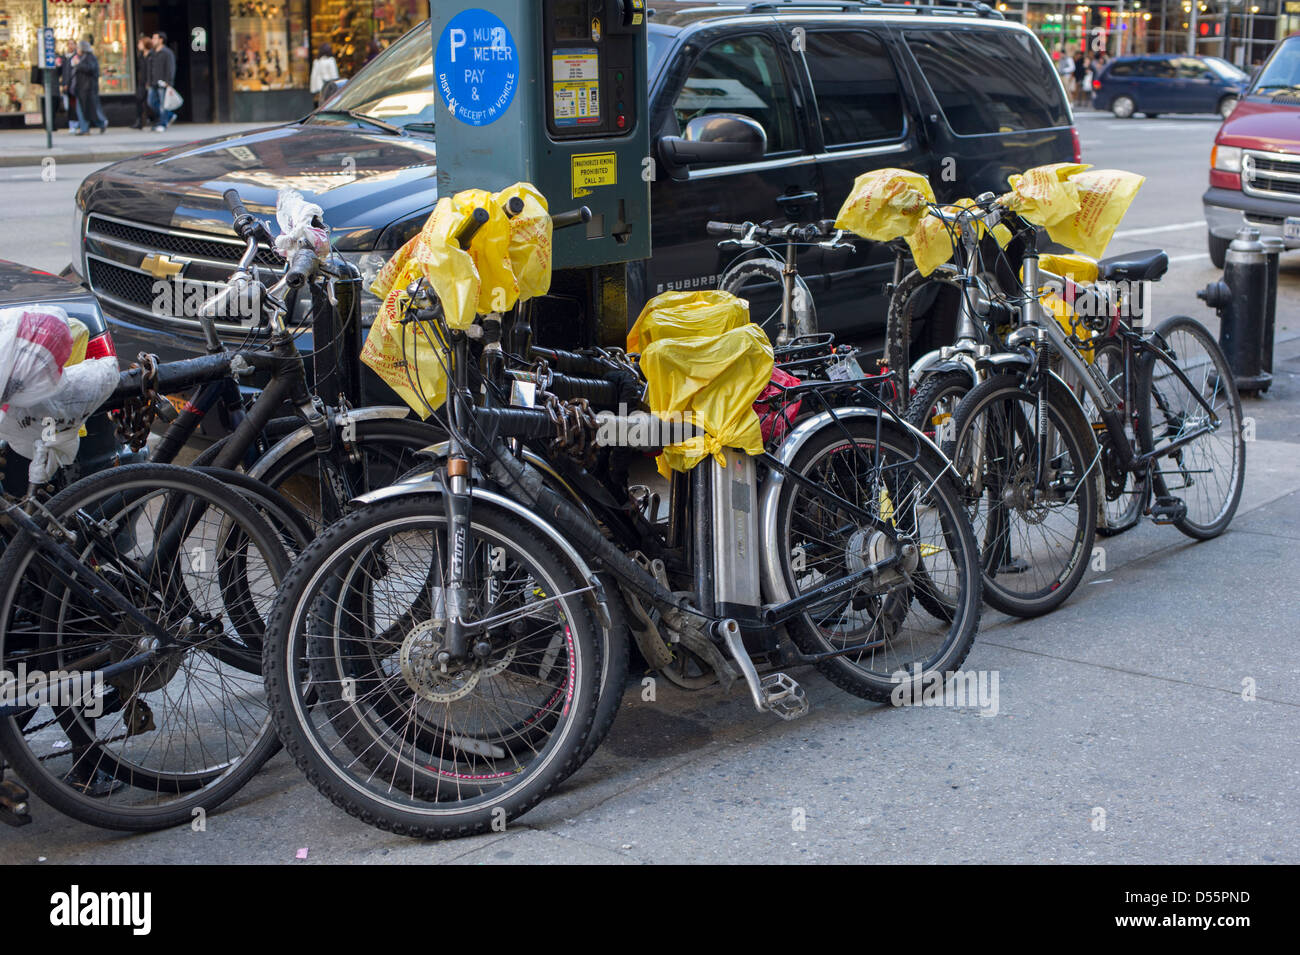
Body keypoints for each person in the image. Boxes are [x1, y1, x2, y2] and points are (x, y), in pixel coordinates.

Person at [72, 40, 108, 136]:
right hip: (81, 88)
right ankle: (86, 128)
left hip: (88, 88)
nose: (77, 50)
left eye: (78, 48)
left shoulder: (90, 58)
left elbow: (91, 69)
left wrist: (78, 64)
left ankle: (99, 124)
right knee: (82, 110)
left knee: (89, 110)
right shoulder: (79, 58)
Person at [146, 31, 177, 132]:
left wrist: (169, 82)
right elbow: (149, 68)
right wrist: (148, 81)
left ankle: (162, 124)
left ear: (161, 40)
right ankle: (169, 115)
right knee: (151, 102)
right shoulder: (152, 53)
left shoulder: (167, 53)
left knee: (163, 104)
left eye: (155, 38)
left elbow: (171, 68)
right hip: (153, 82)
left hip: (163, 83)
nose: (152, 40)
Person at [131, 34, 156, 130]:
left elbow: (153, 69)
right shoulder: (141, 55)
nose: (138, 45)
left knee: (151, 102)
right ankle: (139, 121)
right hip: (141, 81)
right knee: (139, 100)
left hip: (149, 81)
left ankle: (154, 119)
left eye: (140, 43)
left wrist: (151, 81)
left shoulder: (152, 55)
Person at [58, 43, 78, 132]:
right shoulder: (64, 58)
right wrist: (64, 83)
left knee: (74, 106)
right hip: (67, 87)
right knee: (68, 107)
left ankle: (75, 124)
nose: (70, 46)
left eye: (72, 44)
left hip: (75, 87)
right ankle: (72, 124)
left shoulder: (76, 57)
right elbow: (63, 72)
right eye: (69, 44)